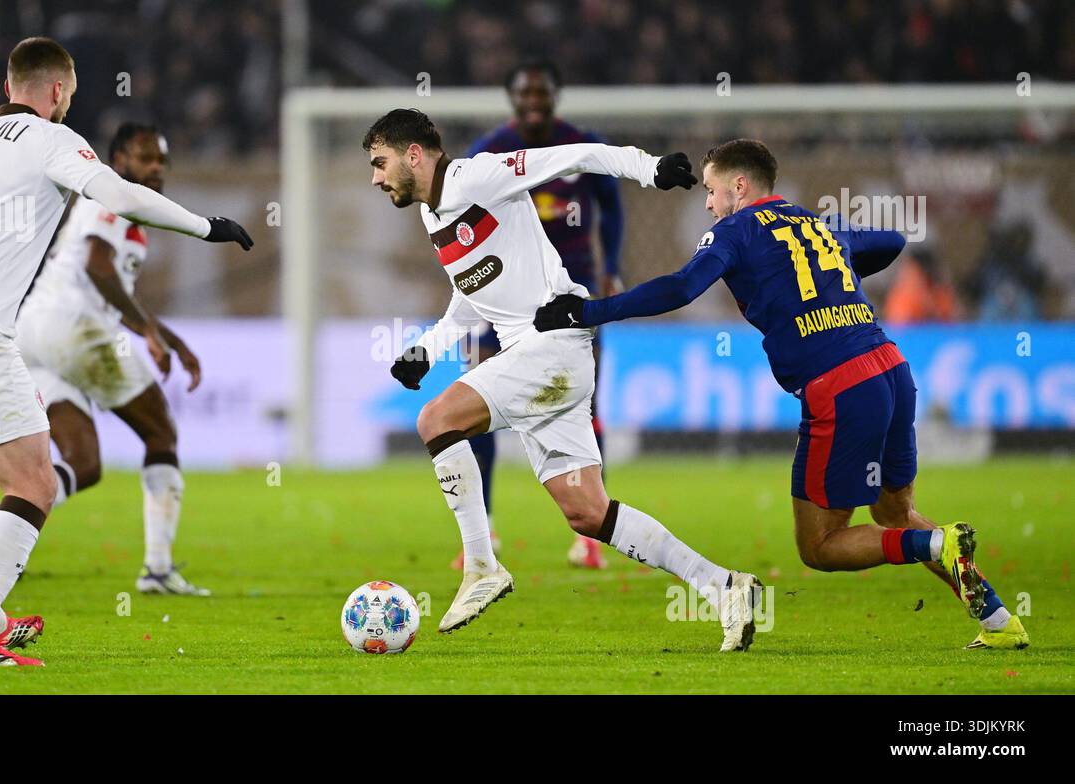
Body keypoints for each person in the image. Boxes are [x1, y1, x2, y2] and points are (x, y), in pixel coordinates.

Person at [535, 139, 1028, 650]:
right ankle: (997, 620)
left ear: (739, 186)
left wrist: (587, 312)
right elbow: (891, 242)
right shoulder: (814, 223)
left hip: (840, 387)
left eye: (711, 190)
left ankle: (936, 543)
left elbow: (681, 288)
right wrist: (834, 275)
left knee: (820, 545)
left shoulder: (735, 230)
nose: (708, 202)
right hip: (889, 369)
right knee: (895, 514)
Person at [0, 37, 253, 666]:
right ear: (56, 92)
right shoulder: (52, 141)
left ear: (6, 87)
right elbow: (124, 196)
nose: (67, 105)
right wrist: (207, 225)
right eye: (69, 96)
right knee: (37, 483)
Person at [365, 109, 761, 651]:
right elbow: (472, 293)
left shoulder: (479, 176)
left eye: (380, 162)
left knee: (437, 419)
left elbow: (575, 156)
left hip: (550, 347)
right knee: (587, 513)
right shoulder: (434, 215)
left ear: (414, 155)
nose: (376, 177)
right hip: (541, 363)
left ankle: (481, 566)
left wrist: (649, 170)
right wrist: (426, 348)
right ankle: (725, 587)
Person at [16, 123, 209, 596]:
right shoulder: (112, 194)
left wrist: (170, 340)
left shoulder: (119, 210)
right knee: (160, 432)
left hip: (32, 334)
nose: (156, 169)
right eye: (146, 158)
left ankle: (5, 532)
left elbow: (111, 288)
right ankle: (157, 569)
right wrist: (147, 332)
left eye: (162, 160)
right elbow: (97, 267)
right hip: (72, 329)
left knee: (83, 464)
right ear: (118, 159)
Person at [458, 59, 623, 570]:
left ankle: (592, 535)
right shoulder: (487, 152)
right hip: (504, 297)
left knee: (581, 408)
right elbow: (461, 218)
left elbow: (613, 205)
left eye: (542, 93)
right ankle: (482, 536)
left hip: (569, 294)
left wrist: (610, 268)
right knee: (475, 414)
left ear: (556, 95)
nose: (534, 102)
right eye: (525, 94)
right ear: (512, 98)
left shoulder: (580, 143)